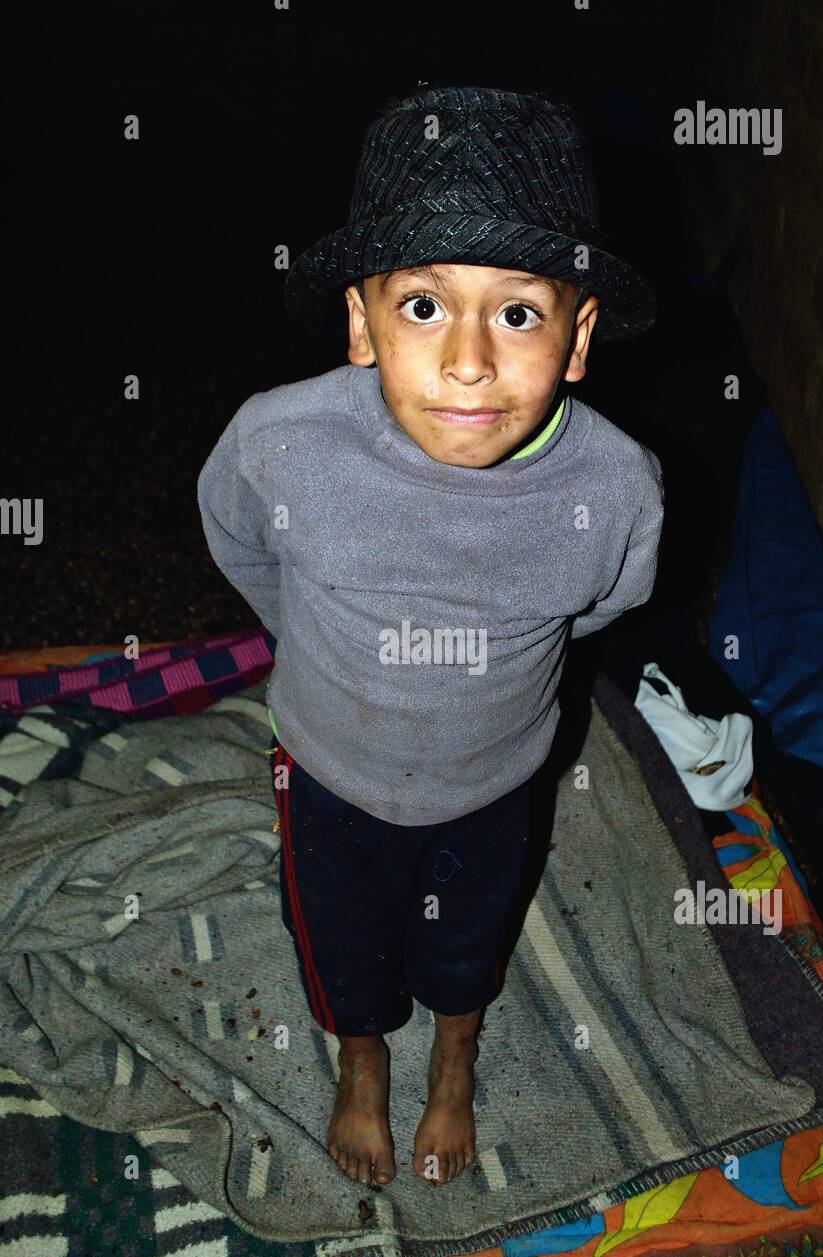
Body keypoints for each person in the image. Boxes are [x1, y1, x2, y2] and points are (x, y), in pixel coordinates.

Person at [197, 84, 664, 1190]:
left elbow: (596, 606)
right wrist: (310, 637)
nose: (466, 361)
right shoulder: (281, 443)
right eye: (420, 306)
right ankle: (361, 1062)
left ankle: (453, 1062)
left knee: (467, 944)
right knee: (339, 950)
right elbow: (240, 541)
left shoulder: (613, 485)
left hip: (496, 780)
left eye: (516, 313)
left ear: (578, 335)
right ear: (358, 320)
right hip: (329, 771)